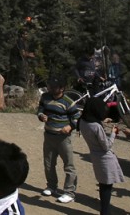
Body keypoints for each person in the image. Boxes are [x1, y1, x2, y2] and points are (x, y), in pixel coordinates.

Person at [36, 76, 79, 204]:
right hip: (49, 136)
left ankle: (69, 192)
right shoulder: (45, 97)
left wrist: (70, 126)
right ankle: (51, 186)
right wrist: (41, 115)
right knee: (48, 164)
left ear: (62, 88)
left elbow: (77, 118)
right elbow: (40, 109)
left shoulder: (68, 102)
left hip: (63, 138)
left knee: (69, 165)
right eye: (50, 86)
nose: (51, 89)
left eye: (54, 87)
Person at [80, 96, 124, 214]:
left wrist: (103, 122)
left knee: (102, 183)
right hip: (105, 159)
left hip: (95, 156)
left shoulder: (83, 121)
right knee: (106, 187)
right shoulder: (97, 127)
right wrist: (113, 133)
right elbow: (106, 146)